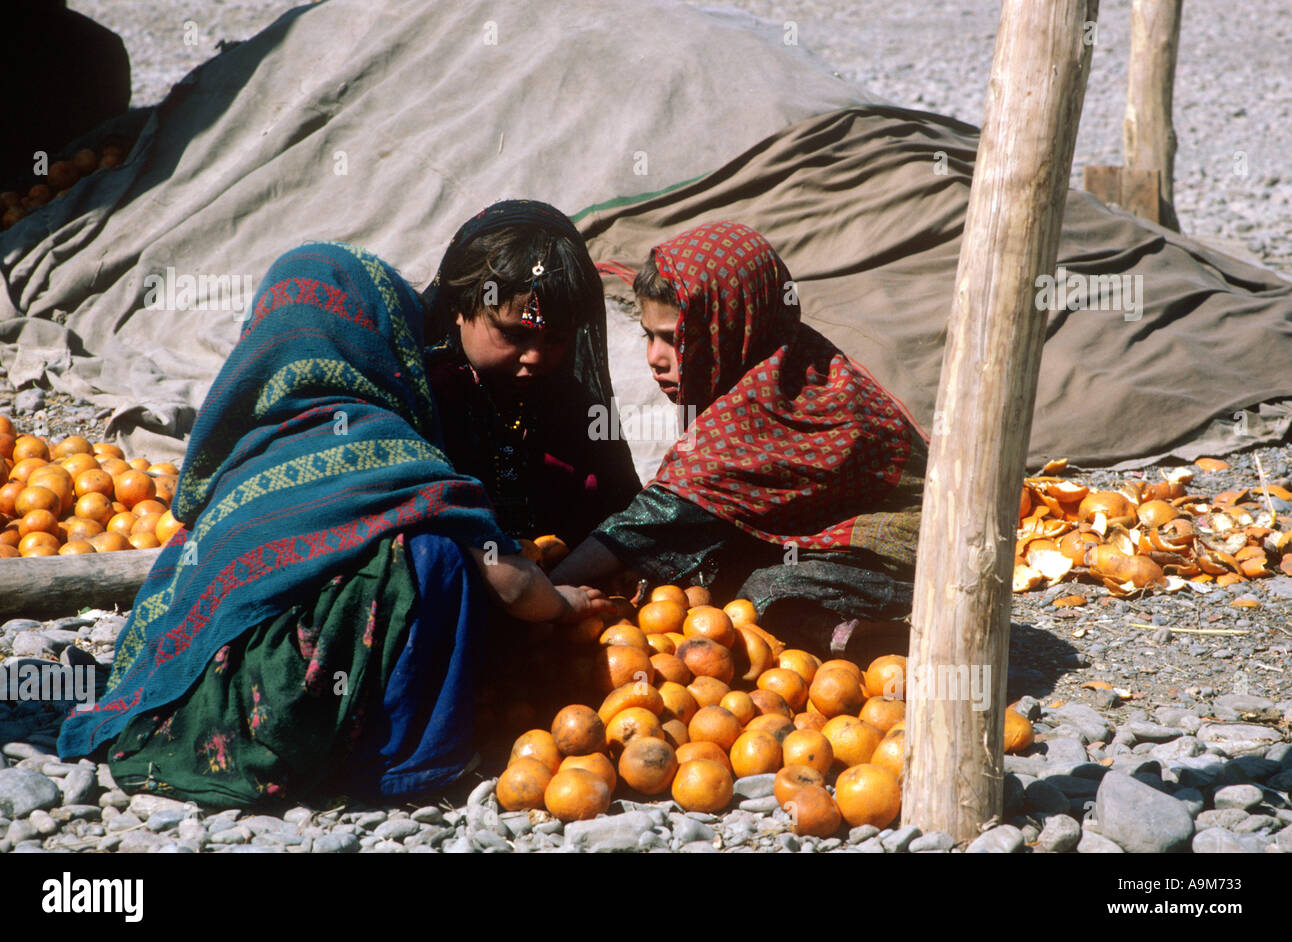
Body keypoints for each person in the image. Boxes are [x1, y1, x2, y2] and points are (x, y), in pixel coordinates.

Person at [56, 200, 640, 808]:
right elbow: (510, 581)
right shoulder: (384, 445)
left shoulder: (260, 447)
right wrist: (564, 599)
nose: (536, 357)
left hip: (208, 688)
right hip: (285, 706)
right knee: (436, 554)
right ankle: (400, 766)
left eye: (555, 338)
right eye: (516, 334)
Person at [551, 221, 929, 654]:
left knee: (761, 591)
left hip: (902, 550)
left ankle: (867, 641)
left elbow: (664, 511)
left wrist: (547, 587)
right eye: (647, 335)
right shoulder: (776, 354)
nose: (655, 359)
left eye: (674, 339)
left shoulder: (764, 404)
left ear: (728, 324)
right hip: (820, 535)